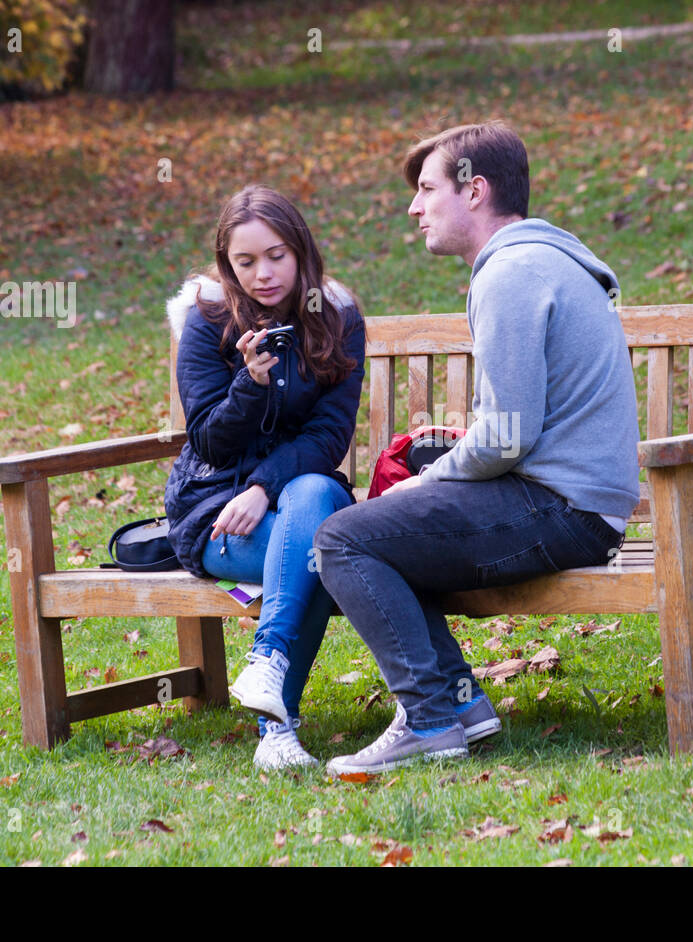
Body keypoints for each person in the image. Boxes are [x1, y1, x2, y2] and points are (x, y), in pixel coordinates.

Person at [315, 122, 640, 774]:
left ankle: (429, 719)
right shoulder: (539, 260)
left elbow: (509, 436)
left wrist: (425, 483)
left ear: (474, 190)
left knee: (343, 539)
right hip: (578, 502)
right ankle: (463, 705)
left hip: (562, 508)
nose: (414, 207)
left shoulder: (512, 274)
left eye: (427, 189)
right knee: (386, 533)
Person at [163, 184, 365, 770]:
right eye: (244, 262)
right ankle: (277, 732)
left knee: (314, 493)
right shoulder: (207, 321)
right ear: (227, 263)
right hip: (216, 510)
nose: (263, 274)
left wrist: (263, 487)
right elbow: (206, 441)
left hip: (295, 499)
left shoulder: (337, 320)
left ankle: (269, 670)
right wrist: (248, 384)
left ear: (300, 250)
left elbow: (328, 438)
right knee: (324, 558)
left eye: (276, 255)